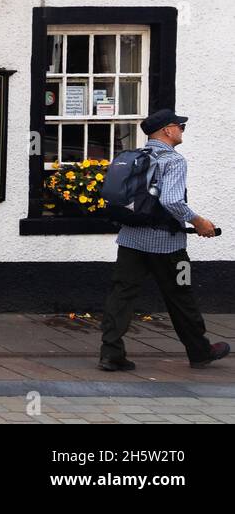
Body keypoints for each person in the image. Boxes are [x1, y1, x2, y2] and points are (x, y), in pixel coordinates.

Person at [99, 108, 229, 371]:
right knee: (181, 296)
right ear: (167, 130)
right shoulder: (174, 161)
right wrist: (198, 220)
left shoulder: (133, 156)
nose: (182, 131)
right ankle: (200, 351)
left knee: (121, 295)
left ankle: (111, 353)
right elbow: (171, 200)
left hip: (130, 240)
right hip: (167, 244)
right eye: (180, 126)